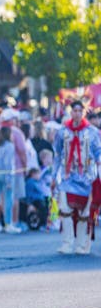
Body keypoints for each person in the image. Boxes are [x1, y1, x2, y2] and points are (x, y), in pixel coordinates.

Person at [52, 101, 101, 254]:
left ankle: (81, 244)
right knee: (65, 209)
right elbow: (57, 155)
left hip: (87, 177)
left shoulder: (92, 132)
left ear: (84, 112)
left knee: (84, 213)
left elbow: (98, 152)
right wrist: (54, 176)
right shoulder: (62, 132)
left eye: (80, 110)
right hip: (68, 176)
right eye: (74, 110)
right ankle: (67, 243)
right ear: (70, 112)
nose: (77, 113)